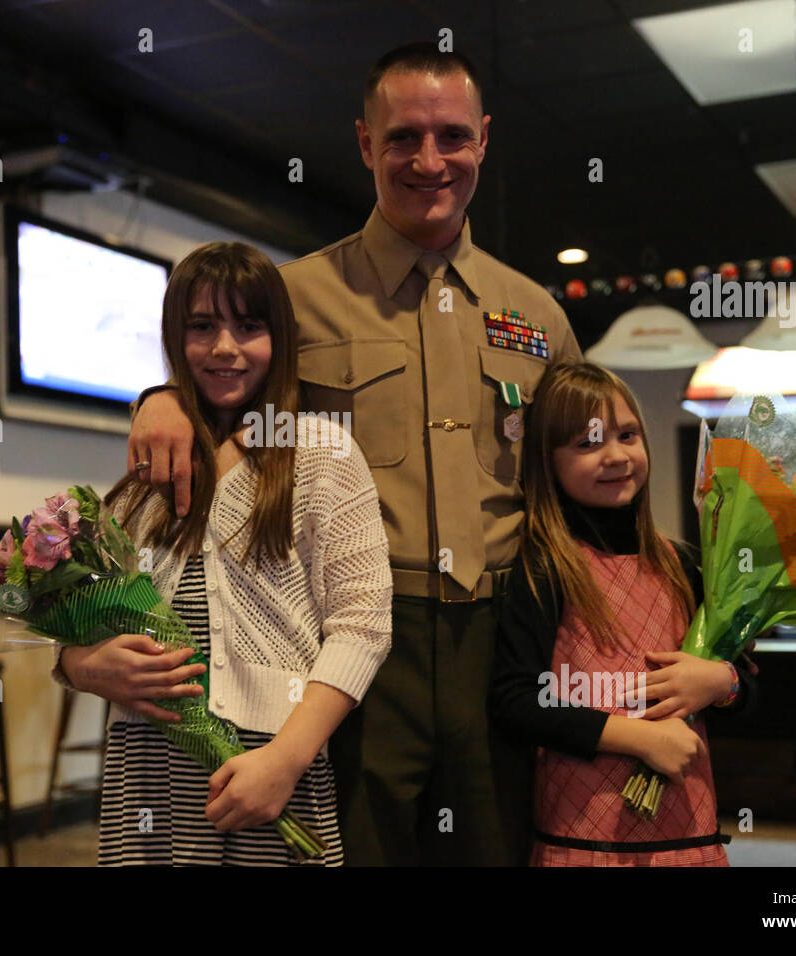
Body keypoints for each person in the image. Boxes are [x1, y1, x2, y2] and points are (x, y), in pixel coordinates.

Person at [128, 43, 582, 866]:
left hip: (502, 636)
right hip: (357, 637)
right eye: (403, 137)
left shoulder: (537, 314)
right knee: (361, 852)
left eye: (452, 136)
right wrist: (158, 400)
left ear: (484, 138)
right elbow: (218, 393)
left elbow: (583, 481)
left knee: (495, 849)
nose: (429, 160)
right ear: (366, 145)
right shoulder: (294, 300)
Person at [54, 241, 392, 866]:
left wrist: (285, 760)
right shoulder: (154, 458)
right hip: (145, 762)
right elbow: (95, 611)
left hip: (267, 757)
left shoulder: (321, 451)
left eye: (249, 325)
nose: (225, 347)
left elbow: (363, 628)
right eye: (202, 327)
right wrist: (78, 664)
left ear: (280, 337)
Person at [489, 362, 755, 866]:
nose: (615, 455)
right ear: (550, 462)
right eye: (588, 444)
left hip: (689, 839)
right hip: (586, 845)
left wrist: (721, 682)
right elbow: (515, 700)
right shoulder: (546, 567)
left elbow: (749, 687)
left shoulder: (685, 564)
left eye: (627, 435)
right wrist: (642, 738)